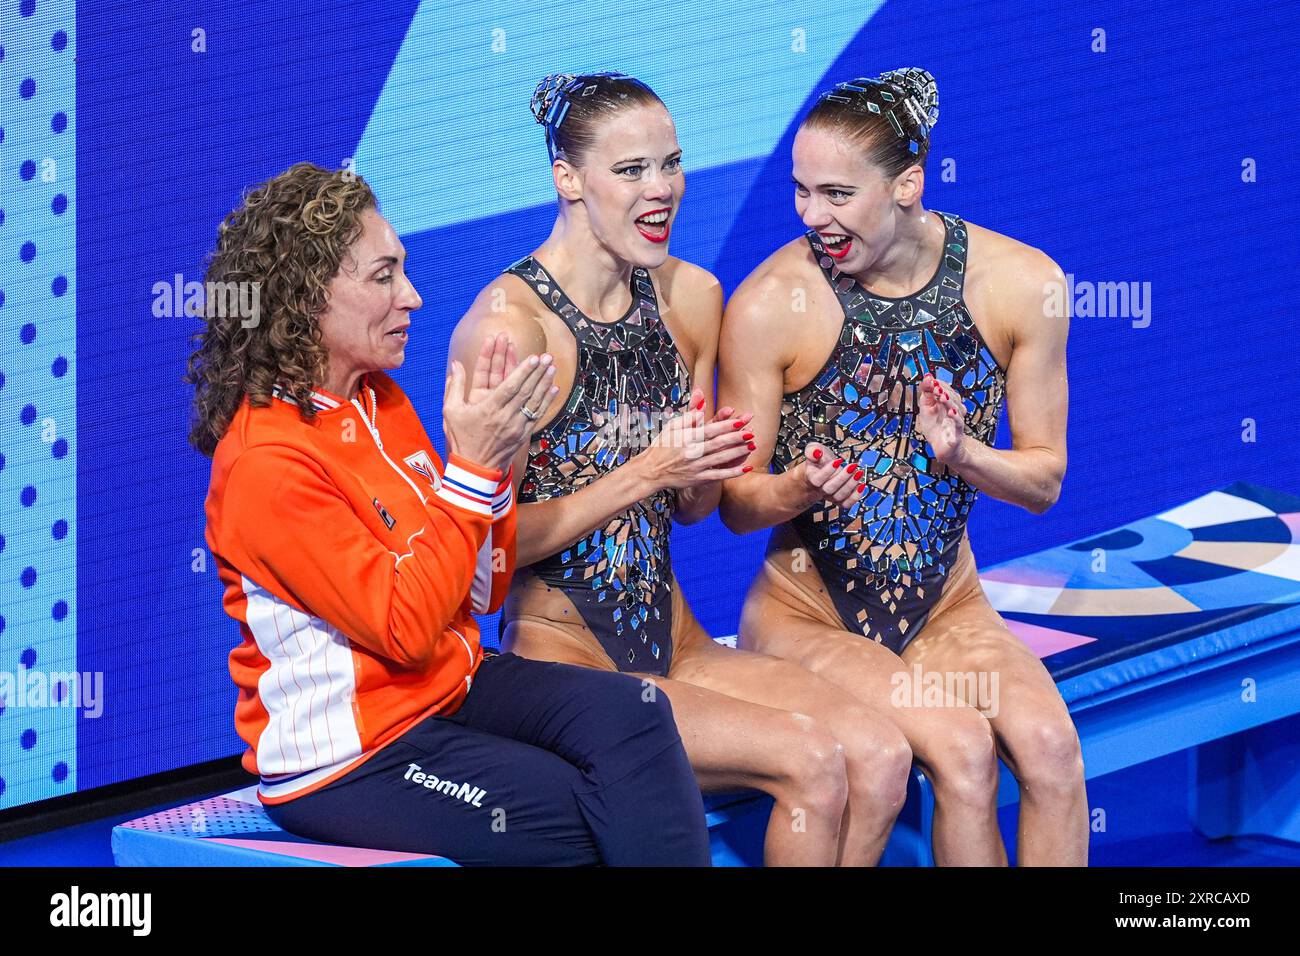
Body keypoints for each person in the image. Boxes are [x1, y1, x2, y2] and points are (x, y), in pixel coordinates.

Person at [188, 161, 711, 866]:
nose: (413, 297)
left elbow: (479, 588)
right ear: (303, 297)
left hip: (453, 686)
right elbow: (404, 629)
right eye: (382, 277)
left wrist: (495, 464)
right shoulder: (265, 464)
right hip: (355, 754)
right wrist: (469, 467)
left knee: (637, 717)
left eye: (402, 271)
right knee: (577, 809)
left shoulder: (381, 402)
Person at [450, 73, 912, 866]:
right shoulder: (511, 332)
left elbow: (695, 508)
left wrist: (711, 468)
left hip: (679, 641)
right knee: (816, 762)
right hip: (570, 669)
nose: (661, 189)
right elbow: (477, 560)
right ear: (567, 178)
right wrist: (647, 471)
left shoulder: (690, 299)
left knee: (881, 752)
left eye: (671, 164)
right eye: (630, 171)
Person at [718, 69, 1087, 865]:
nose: (814, 216)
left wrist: (962, 454)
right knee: (961, 749)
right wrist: (795, 487)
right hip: (806, 619)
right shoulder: (768, 306)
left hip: (947, 612)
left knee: (1054, 752)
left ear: (909, 185)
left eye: (838, 194)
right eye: (801, 191)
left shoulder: (1024, 286)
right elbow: (736, 505)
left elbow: (1045, 481)